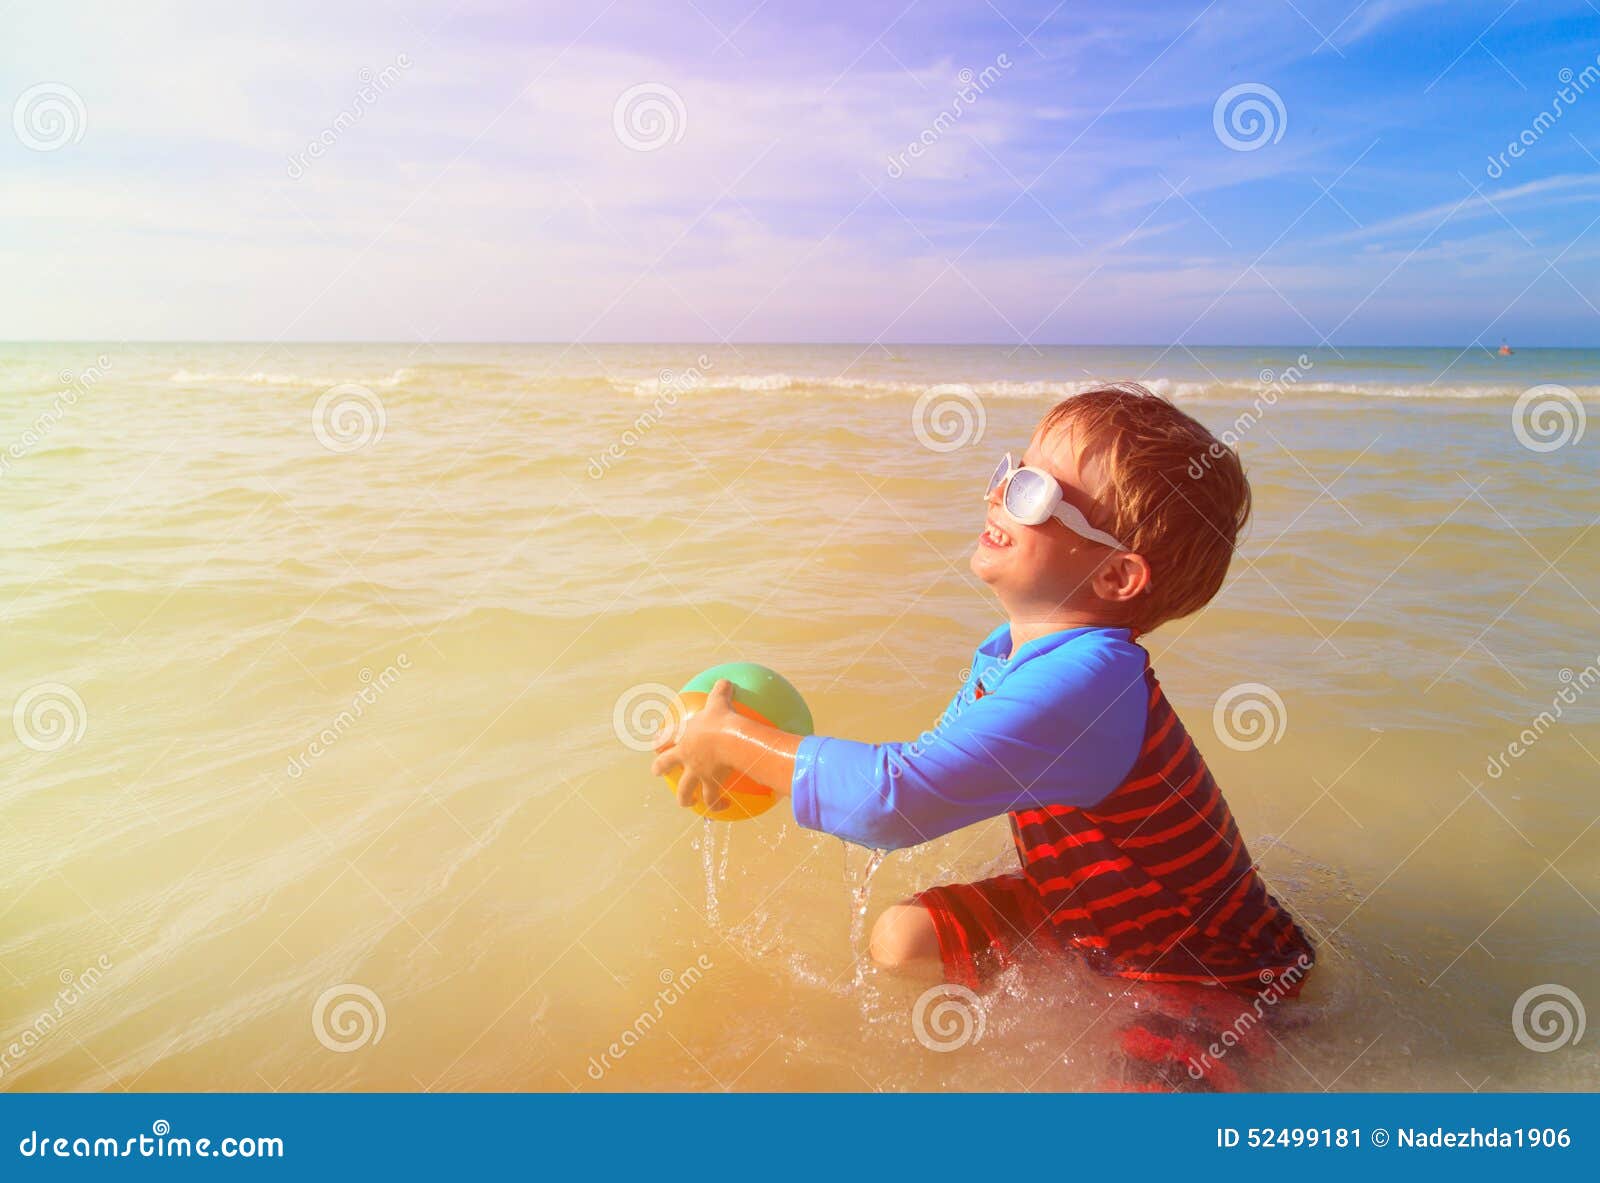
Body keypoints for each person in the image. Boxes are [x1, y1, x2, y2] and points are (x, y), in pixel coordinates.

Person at [652, 383, 1313, 1017]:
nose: (997, 491)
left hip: (1207, 963)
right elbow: (932, 771)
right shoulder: (1012, 652)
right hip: (1079, 905)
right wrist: (752, 768)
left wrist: (731, 739)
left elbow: (896, 800)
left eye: (1036, 492)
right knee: (899, 939)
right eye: (1014, 469)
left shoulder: (1088, 684)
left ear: (1116, 573)